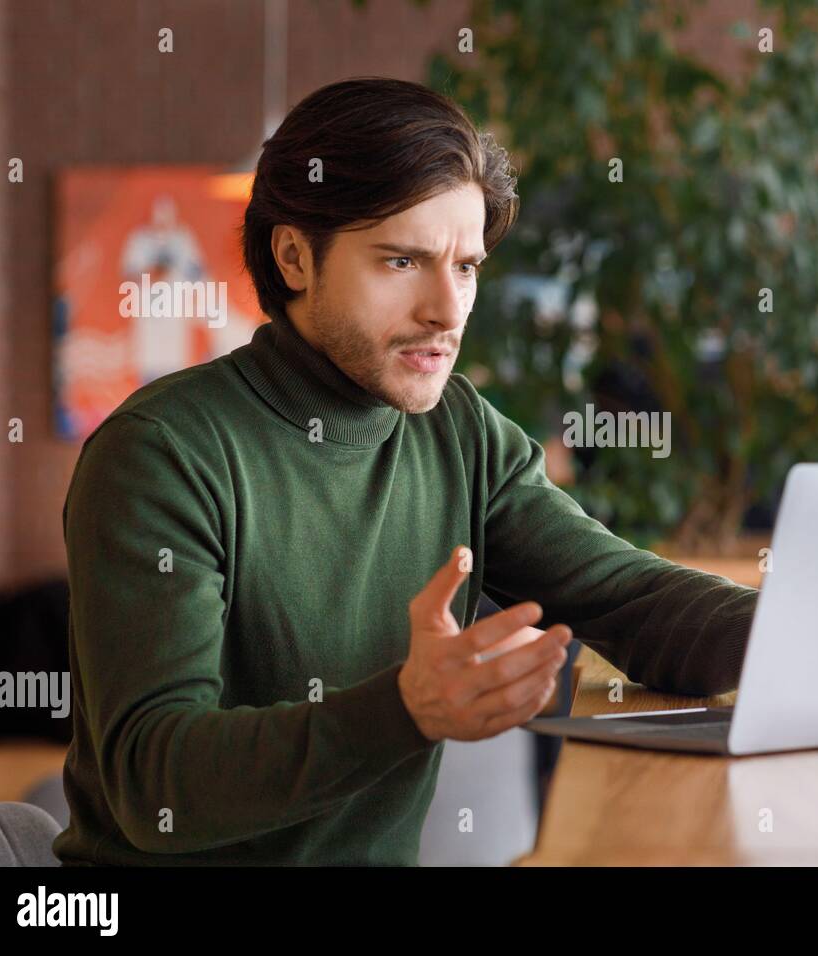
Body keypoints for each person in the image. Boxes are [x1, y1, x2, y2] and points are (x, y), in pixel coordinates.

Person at [56, 77, 756, 866]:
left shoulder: (461, 432)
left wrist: (804, 629)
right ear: (294, 257)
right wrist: (405, 708)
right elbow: (158, 788)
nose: (448, 310)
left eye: (466, 267)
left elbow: (631, 602)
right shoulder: (161, 454)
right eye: (402, 261)